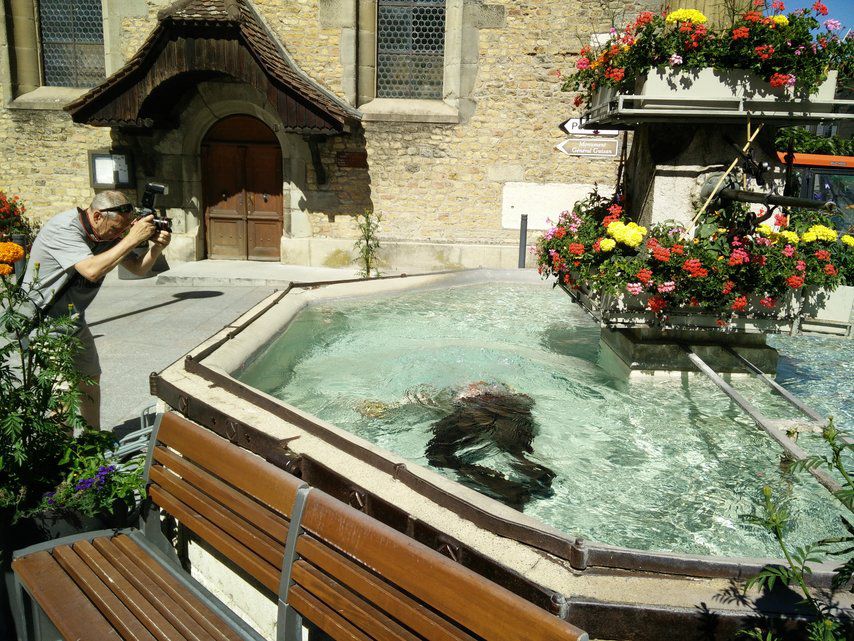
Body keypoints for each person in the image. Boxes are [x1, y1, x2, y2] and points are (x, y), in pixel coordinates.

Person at [21, 190, 171, 429]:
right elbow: (91, 270)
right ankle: (64, 457)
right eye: (115, 230)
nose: (118, 235)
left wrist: (156, 249)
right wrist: (131, 238)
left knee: (90, 378)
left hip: (73, 320)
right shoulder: (64, 229)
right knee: (63, 393)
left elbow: (138, 269)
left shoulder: (108, 232)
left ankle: (93, 440)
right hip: (45, 321)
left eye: (122, 231)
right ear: (98, 216)